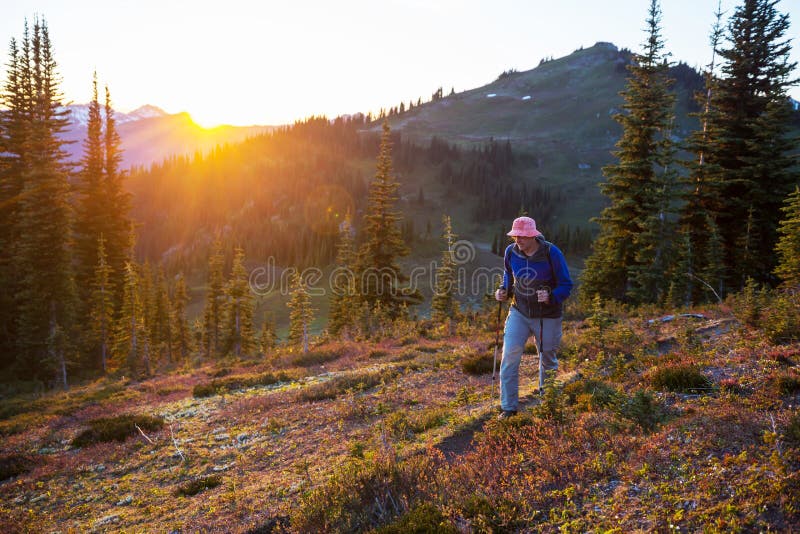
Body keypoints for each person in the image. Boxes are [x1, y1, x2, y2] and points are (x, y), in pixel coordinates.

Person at [494, 216, 573, 418]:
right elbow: (508, 274)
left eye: (522, 236)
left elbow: (566, 285)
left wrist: (551, 296)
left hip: (547, 315)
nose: (518, 240)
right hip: (519, 311)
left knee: (547, 359)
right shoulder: (511, 252)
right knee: (509, 357)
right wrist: (504, 290)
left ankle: (548, 402)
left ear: (533, 236)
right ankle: (508, 408)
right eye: (515, 236)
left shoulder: (551, 253)